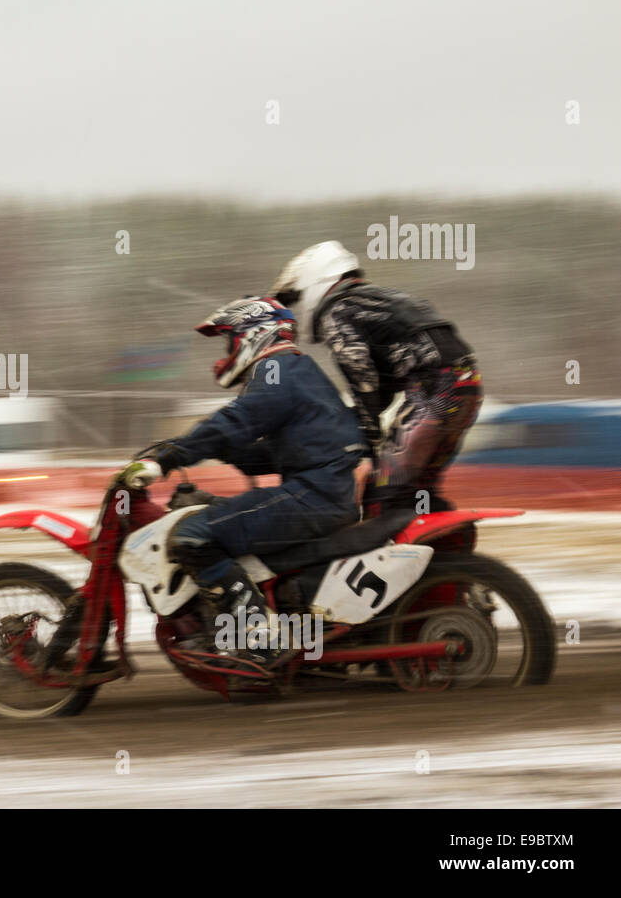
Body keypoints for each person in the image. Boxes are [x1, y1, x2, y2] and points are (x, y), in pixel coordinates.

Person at [121, 296, 364, 665]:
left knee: (192, 537)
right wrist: (220, 448)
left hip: (314, 496)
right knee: (201, 510)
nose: (226, 351)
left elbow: (236, 422)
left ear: (253, 333)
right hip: (321, 491)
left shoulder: (277, 369)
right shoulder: (295, 369)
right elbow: (270, 453)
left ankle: (257, 637)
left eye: (228, 340)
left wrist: (168, 456)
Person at [269, 241, 482, 515]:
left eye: (297, 298)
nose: (298, 307)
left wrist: (365, 434)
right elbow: (386, 381)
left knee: (383, 490)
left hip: (434, 390)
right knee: (419, 487)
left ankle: (406, 549)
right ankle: (444, 548)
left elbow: (362, 377)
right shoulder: (384, 297)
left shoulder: (338, 309)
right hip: (466, 385)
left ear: (315, 278)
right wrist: (363, 420)